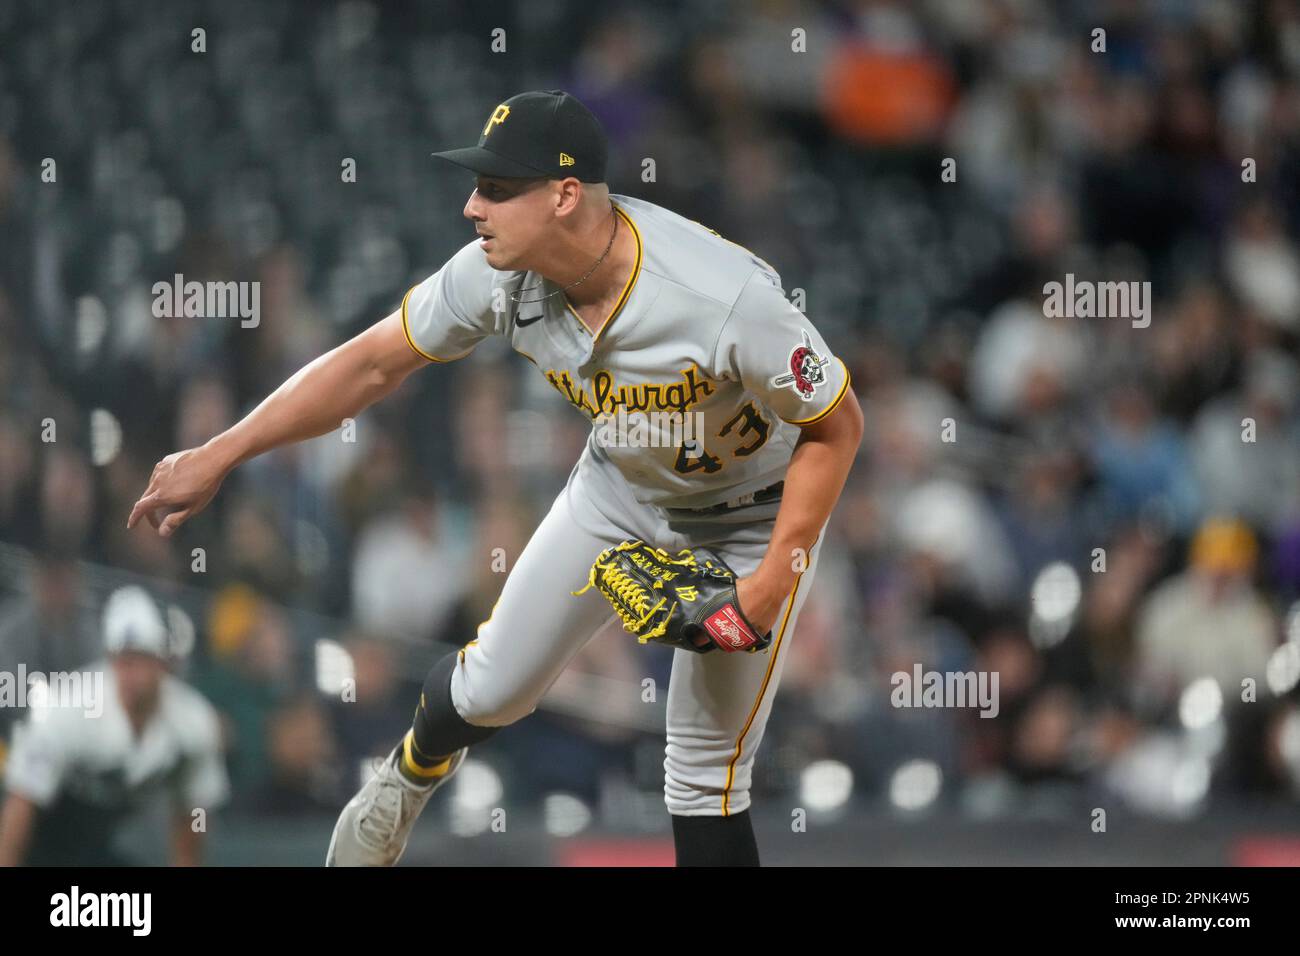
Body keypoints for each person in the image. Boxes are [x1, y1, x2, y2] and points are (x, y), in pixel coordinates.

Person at [127, 90, 863, 867]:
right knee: (490, 691)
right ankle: (405, 779)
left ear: (565, 196)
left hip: (751, 518)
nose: (473, 206)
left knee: (704, 773)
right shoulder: (495, 275)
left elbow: (838, 424)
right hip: (620, 487)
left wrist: (772, 582)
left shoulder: (721, 299)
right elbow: (372, 363)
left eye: (497, 189)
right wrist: (221, 453)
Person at [0, 585, 229, 866]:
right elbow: (21, 803)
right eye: (124, 659)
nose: (132, 672)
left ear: (163, 662)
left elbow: (193, 813)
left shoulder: (192, 721)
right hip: (38, 840)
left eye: (142, 658)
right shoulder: (66, 709)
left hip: (98, 845)